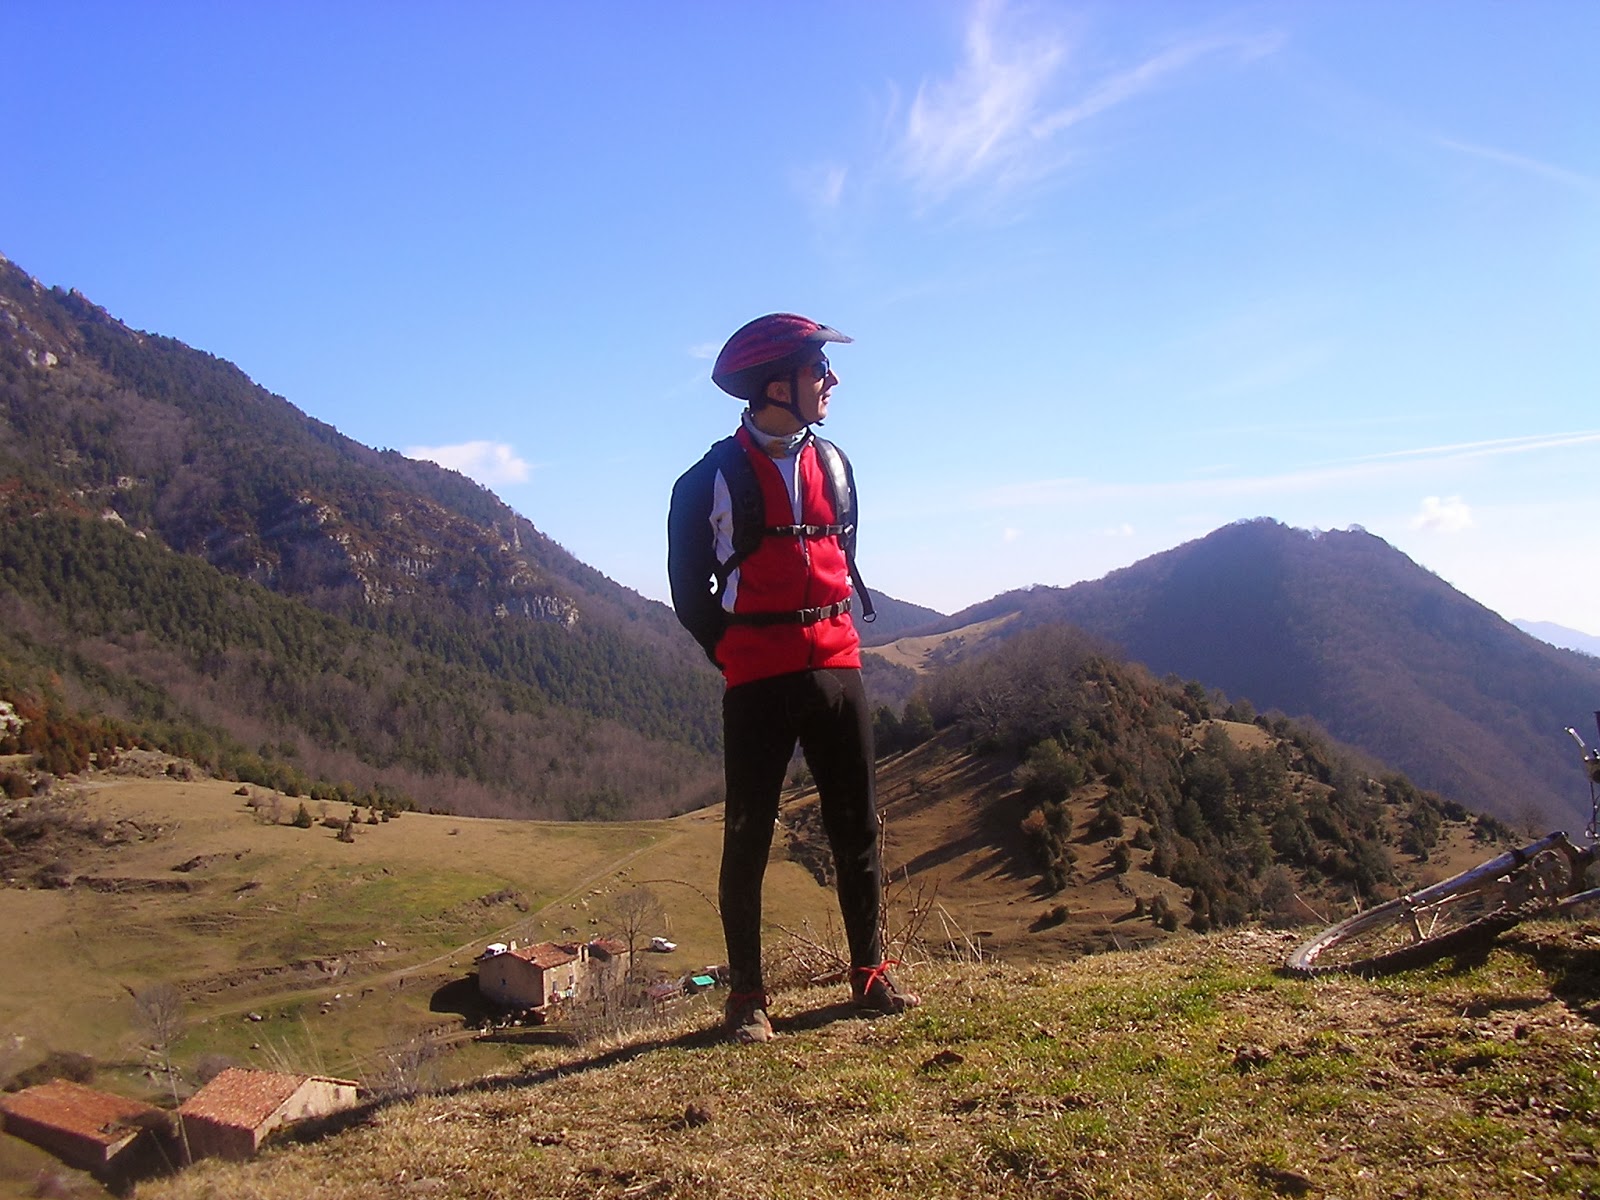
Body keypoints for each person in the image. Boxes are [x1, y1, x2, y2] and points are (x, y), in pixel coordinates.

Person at [668, 313, 919, 1044]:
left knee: (857, 827)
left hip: (839, 669)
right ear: (776, 385)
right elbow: (691, 594)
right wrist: (740, 654)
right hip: (759, 680)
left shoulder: (837, 466)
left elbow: (842, 557)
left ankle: (870, 976)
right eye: (819, 370)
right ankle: (747, 999)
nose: (832, 381)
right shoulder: (705, 481)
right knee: (746, 836)